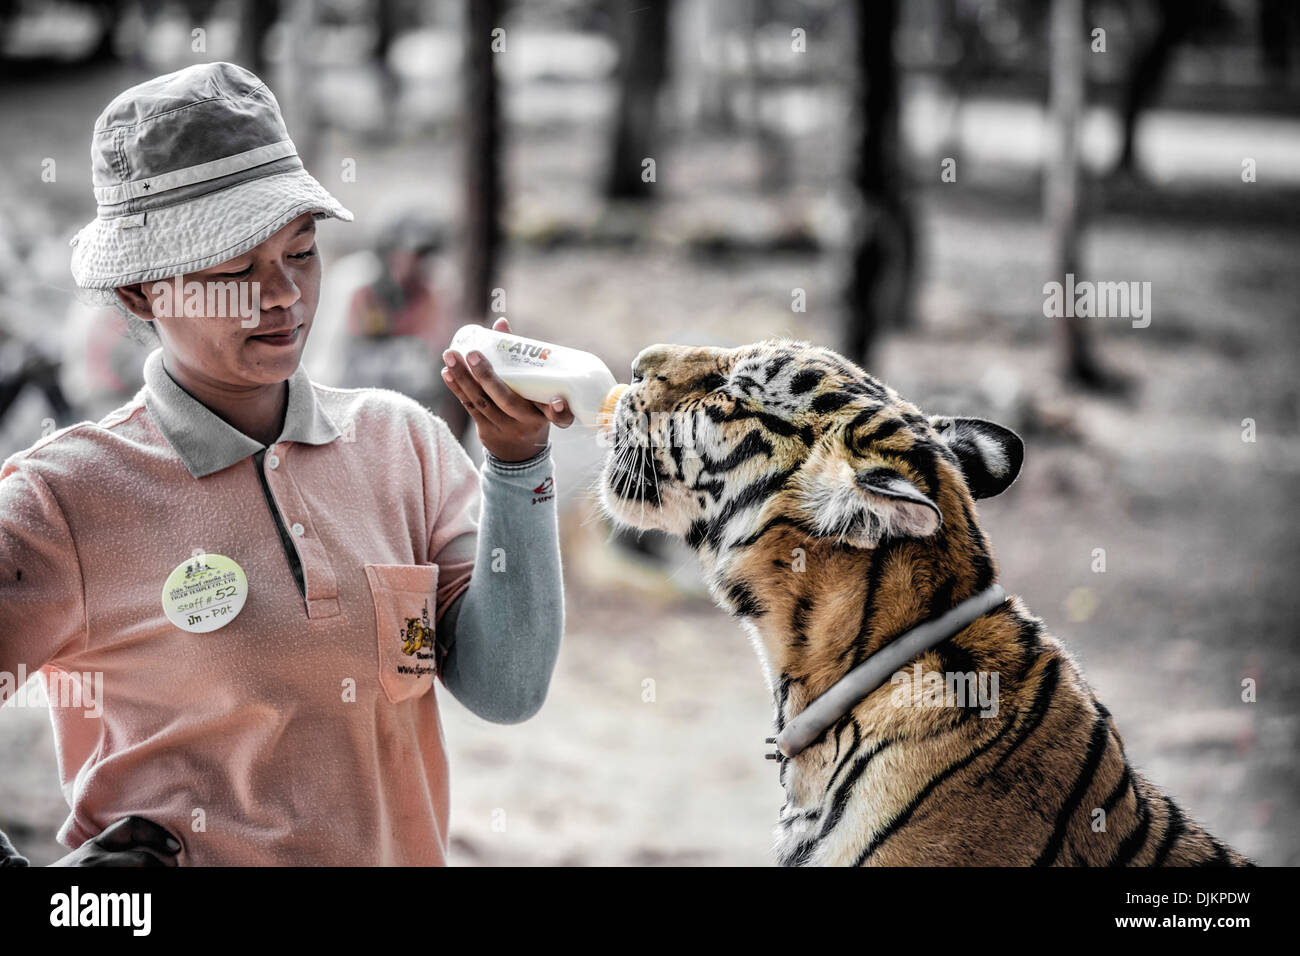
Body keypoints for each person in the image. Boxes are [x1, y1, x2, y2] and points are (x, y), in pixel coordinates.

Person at [0, 61, 571, 866]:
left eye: (300, 253)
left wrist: (518, 464)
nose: (283, 296)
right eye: (235, 271)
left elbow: (507, 688)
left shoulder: (399, 445)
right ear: (137, 294)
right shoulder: (66, 501)